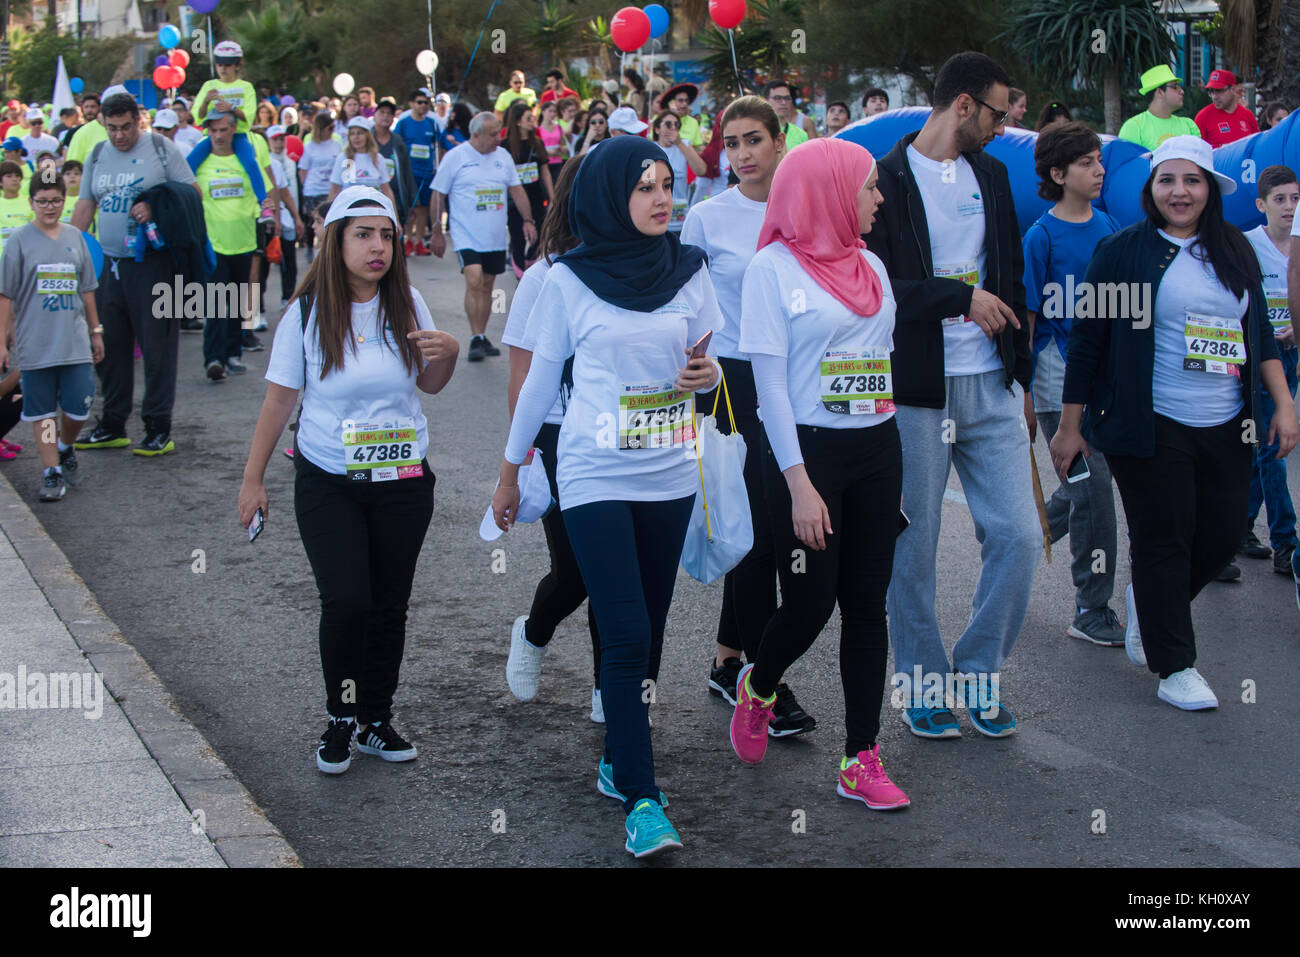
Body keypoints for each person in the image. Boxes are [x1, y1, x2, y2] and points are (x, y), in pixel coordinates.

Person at [491, 135, 723, 858]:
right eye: (644, 186)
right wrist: (510, 470)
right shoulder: (567, 280)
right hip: (593, 473)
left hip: (669, 473)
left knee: (649, 629)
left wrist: (705, 378)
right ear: (607, 197)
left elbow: (710, 368)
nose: (661, 198)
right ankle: (643, 798)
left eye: (667, 185)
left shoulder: (690, 270)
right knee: (623, 632)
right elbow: (539, 383)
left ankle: (617, 756)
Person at [1051, 135, 1296, 709]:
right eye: (1168, 181)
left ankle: (1149, 603)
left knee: (1221, 534)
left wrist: (1283, 403)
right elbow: (1088, 343)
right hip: (1150, 423)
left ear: (1210, 189)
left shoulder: (1234, 249)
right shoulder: (1123, 252)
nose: (1179, 192)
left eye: (1192, 181)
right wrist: (1071, 425)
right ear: (1151, 188)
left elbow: (1257, 335)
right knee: (1164, 539)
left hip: (1227, 423)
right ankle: (1174, 665)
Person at [238, 186, 458, 774]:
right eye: (363, 234)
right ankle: (342, 713)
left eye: (386, 235)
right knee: (347, 600)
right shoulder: (307, 314)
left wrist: (451, 352)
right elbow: (280, 400)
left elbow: (431, 384)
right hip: (328, 480)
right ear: (336, 242)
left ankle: (374, 720)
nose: (378, 246)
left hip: (404, 479)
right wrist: (252, 479)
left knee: (389, 605)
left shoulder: (407, 302)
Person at [726, 135, 910, 809]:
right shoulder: (771, 269)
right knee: (809, 601)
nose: (878, 198)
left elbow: (880, 364)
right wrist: (799, 482)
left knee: (867, 605)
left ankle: (860, 757)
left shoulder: (874, 268)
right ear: (830, 191)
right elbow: (768, 387)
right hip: (807, 451)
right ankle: (759, 683)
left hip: (876, 446)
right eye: (868, 186)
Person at [866, 51, 1038, 739]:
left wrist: (1019, 372)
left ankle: (979, 667)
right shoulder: (882, 178)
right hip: (914, 389)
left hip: (991, 383)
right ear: (963, 104)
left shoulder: (993, 173)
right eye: (1000, 111)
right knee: (915, 545)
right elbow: (872, 287)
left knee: (1021, 537)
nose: (1006, 124)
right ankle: (924, 681)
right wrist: (958, 298)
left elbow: (1013, 273)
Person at [682, 95, 815, 735]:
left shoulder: (805, 204)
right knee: (757, 525)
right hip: (733, 380)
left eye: (753, 140)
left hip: (796, 374)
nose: (740, 155)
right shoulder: (707, 217)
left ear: (780, 139)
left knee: (770, 523)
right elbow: (683, 306)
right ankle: (763, 679)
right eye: (730, 143)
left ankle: (726, 659)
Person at [500, 159, 605, 716]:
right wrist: (523, 461)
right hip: (559, 435)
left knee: (617, 572)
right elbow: (521, 375)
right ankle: (534, 631)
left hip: (620, 435)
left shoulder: (634, 265)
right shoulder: (544, 275)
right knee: (577, 572)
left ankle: (607, 690)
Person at [1021, 122, 1124, 644]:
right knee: (1093, 488)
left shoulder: (1109, 227)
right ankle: (1092, 608)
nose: (1099, 169)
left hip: (1104, 381)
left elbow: (1123, 313)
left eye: (1099, 160)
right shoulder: (1039, 238)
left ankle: (1025, 533)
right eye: (1086, 162)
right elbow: (1031, 324)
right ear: (1058, 174)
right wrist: (1024, 395)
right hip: (1056, 382)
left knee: (1084, 488)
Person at [70, 92, 200, 456]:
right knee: (110, 348)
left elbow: (192, 193)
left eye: (126, 127)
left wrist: (153, 203)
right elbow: (84, 206)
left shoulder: (161, 148)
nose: (119, 135)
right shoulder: (97, 154)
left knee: (157, 349)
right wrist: (66, 251)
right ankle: (112, 424)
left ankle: (158, 427)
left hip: (155, 266)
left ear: (138, 121)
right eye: (111, 128)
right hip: (109, 265)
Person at [0, 171, 102, 501]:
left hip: (74, 343)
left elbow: (87, 290)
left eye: (56, 200)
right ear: (31, 202)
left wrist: (96, 332)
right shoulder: (18, 240)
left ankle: (66, 446)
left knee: (79, 407)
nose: (49, 207)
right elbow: (5, 295)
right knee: (42, 412)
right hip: (35, 345)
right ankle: (51, 471)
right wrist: (2, 342)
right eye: (42, 201)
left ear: (64, 201)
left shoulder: (75, 238)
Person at [429, 112, 534, 362]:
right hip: (466, 234)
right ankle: (475, 336)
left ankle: (482, 335)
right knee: (474, 280)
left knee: (487, 285)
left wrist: (528, 220)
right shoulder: (456, 157)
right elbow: (437, 194)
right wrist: (436, 231)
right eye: (492, 134)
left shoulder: (503, 158)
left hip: (495, 235)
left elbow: (516, 190)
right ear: (475, 135)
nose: (498, 138)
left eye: (499, 132)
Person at [1238, 165, 1298, 575]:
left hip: (1293, 351)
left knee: (1264, 448)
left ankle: (1238, 526)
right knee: (1273, 444)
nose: (1290, 207)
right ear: (1262, 205)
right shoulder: (1247, 246)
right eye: (1280, 199)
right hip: (1259, 356)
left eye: (1296, 199)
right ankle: (1286, 540)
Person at [195, 110, 276, 381]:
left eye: (223, 130)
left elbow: (264, 192)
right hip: (214, 244)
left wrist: (269, 213)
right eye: (213, 130)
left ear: (233, 130)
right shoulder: (201, 163)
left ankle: (232, 354)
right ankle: (213, 359)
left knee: (239, 303)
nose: (218, 136)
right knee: (216, 304)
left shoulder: (245, 160)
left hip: (244, 241)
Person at [190, 42, 273, 209]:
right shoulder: (208, 86)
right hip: (213, 137)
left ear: (238, 64)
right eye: (219, 64)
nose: (223, 69)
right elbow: (198, 117)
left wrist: (232, 109)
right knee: (189, 164)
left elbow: (249, 118)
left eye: (227, 65)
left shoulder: (246, 87)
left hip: (238, 136)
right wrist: (206, 101)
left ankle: (264, 205)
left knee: (251, 164)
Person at [503, 101, 554, 277]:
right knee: (517, 236)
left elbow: (545, 171)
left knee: (539, 234)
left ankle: (529, 265)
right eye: (528, 118)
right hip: (515, 199)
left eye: (533, 117)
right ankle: (519, 272)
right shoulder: (506, 146)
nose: (532, 121)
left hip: (536, 196)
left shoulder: (537, 143)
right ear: (517, 121)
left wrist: (552, 196)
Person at [259, 125, 306, 315]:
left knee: (289, 261)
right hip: (263, 220)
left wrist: (297, 217)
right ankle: (259, 308)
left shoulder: (285, 163)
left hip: (283, 219)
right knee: (261, 266)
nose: (279, 142)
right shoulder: (264, 162)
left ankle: (288, 298)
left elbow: (286, 194)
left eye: (282, 139)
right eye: (275, 139)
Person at [395, 90, 439, 256]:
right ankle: (407, 241)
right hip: (410, 173)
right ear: (412, 103)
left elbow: (440, 142)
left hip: (427, 173)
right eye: (420, 102)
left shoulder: (432, 123)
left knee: (423, 210)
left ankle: (419, 242)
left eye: (426, 102)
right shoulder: (404, 123)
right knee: (410, 210)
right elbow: (396, 145)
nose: (423, 106)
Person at [1117, 65, 1199, 150]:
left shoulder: (1189, 125)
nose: (1182, 91)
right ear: (1159, 92)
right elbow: (1127, 161)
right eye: (1175, 86)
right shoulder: (1134, 127)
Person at [298, 111, 342, 262]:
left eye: (333, 128)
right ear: (321, 128)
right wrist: (308, 187)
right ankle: (311, 247)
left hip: (330, 189)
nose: (332, 131)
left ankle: (328, 248)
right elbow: (303, 170)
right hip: (313, 189)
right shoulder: (310, 146)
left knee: (330, 220)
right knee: (313, 220)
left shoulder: (336, 144)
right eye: (330, 128)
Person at [651, 110, 705, 232]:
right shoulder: (650, 148)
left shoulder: (684, 145)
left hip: (680, 219)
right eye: (668, 124)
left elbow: (701, 170)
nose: (673, 128)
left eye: (677, 125)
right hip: (657, 217)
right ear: (657, 129)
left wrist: (679, 143)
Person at [372, 98, 415, 236]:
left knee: (396, 240)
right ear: (375, 115)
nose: (385, 116)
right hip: (372, 199)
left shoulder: (397, 140)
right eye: (382, 112)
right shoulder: (367, 139)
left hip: (396, 198)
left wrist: (411, 199)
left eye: (389, 113)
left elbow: (406, 171)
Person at [326, 116, 393, 203]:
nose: (356, 137)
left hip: (373, 209)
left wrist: (393, 215)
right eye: (352, 134)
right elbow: (335, 189)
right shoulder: (343, 158)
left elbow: (386, 190)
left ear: (368, 136)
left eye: (360, 133)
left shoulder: (378, 158)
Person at [1194, 69, 1259, 148]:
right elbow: (1196, 152)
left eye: (1219, 90)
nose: (1214, 97)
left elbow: (1256, 146)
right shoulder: (1203, 117)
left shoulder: (1248, 115)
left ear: (1233, 89)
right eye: (1211, 91)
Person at [0, 162, 33, 260]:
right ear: (0, 182)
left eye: (17, 176)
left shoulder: (31, 201)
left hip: (26, 257)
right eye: (9, 176)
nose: (14, 179)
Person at [765, 80, 810, 148]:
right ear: (766, 101)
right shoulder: (758, 132)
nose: (783, 102)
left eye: (787, 98)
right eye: (778, 98)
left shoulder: (801, 135)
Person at [537, 99, 570, 175]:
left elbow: (563, 143)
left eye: (554, 111)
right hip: (545, 163)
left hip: (558, 162)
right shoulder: (538, 129)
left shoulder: (558, 127)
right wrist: (547, 152)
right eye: (550, 111)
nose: (552, 114)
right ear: (543, 112)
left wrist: (562, 149)